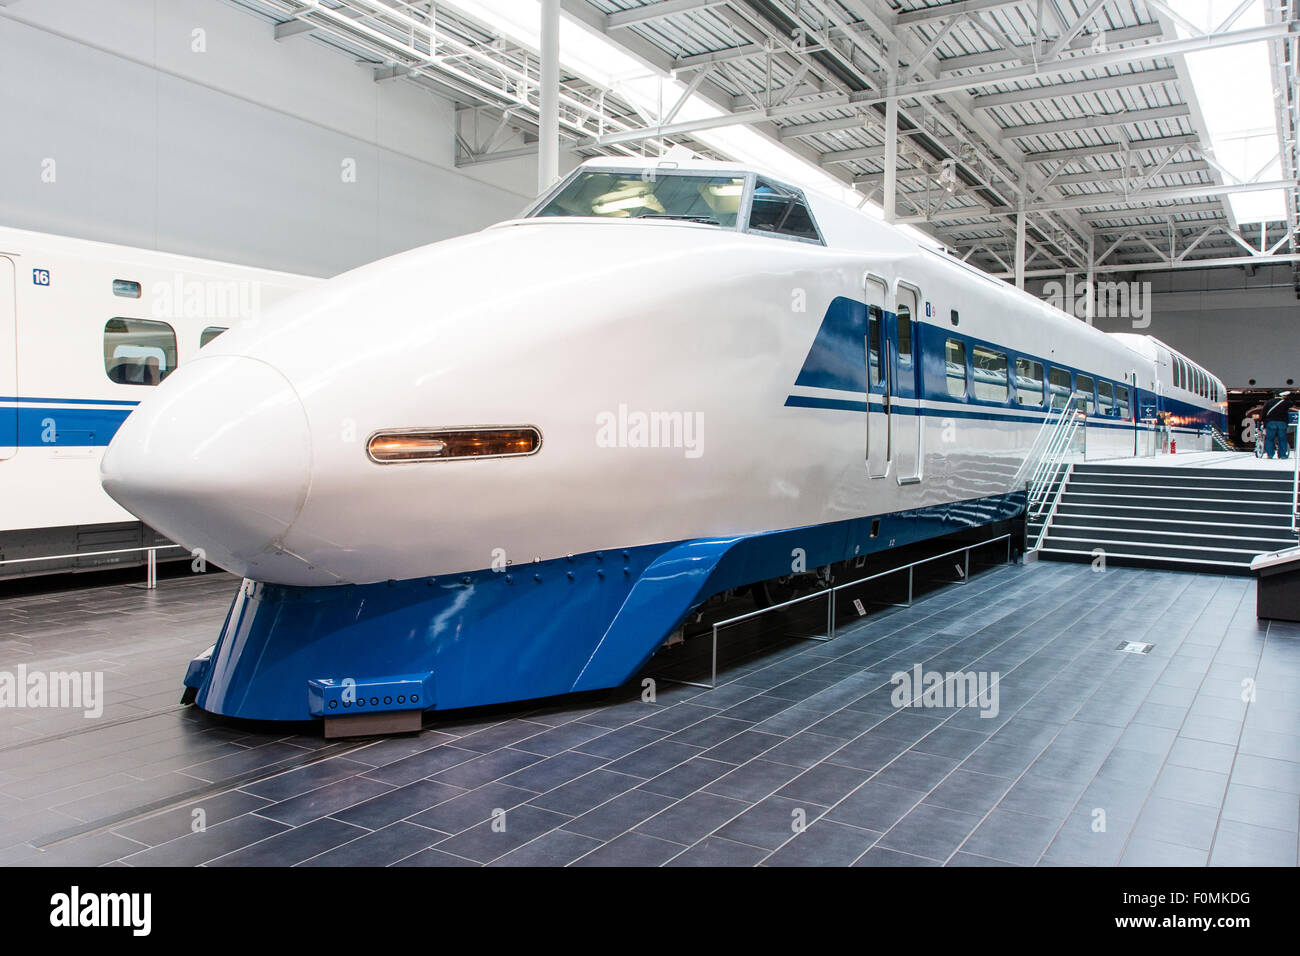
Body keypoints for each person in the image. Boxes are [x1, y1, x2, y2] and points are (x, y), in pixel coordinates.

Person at [1262, 391, 1296, 459]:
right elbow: (1291, 404)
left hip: (1270, 422)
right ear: (1283, 396)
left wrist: (1263, 422)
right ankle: (1282, 455)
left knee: (1269, 439)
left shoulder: (1269, 402)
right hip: (1282, 423)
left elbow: (1264, 412)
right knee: (1282, 439)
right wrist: (1286, 399)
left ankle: (1270, 455)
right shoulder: (1286, 402)